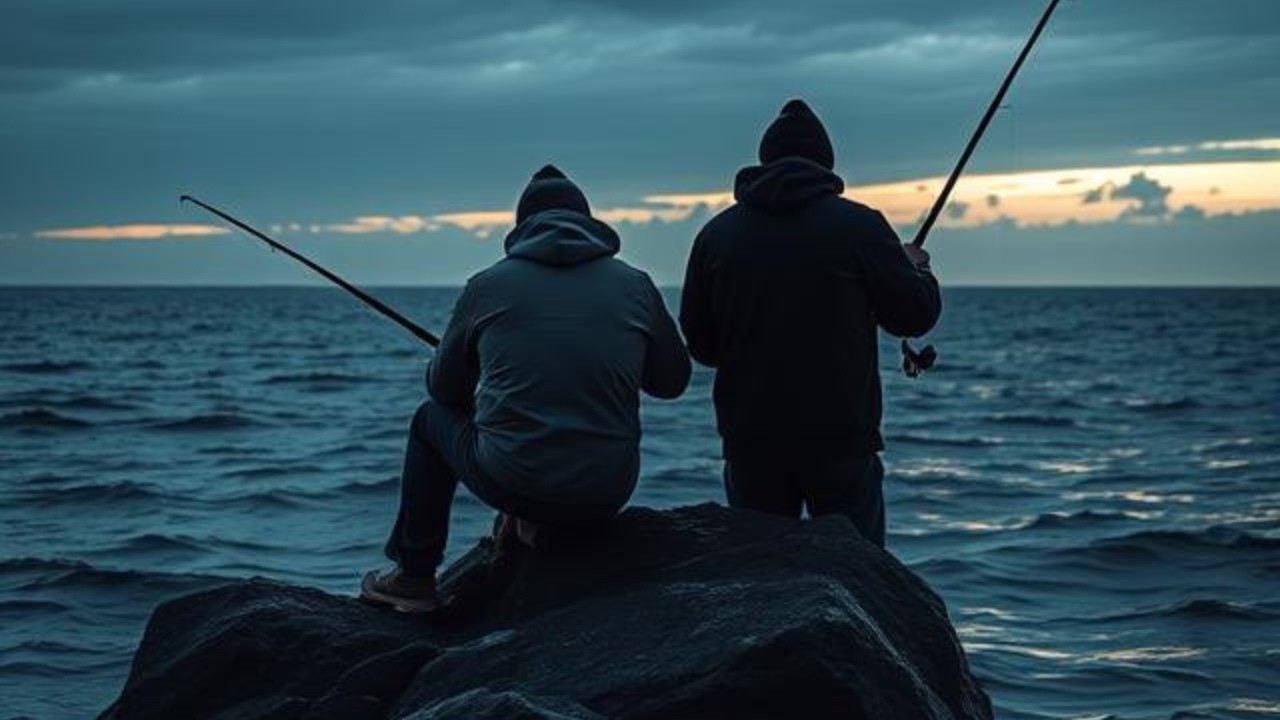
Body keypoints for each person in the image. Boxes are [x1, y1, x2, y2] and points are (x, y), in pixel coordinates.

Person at [362, 165, 691, 612]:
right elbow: (672, 383)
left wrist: (472, 365)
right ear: (589, 223)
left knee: (429, 421)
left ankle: (415, 576)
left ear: (521, 228)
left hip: (519, 483)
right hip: (609, 489)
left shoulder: (488, 286)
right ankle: (531, 530)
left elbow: (445, 393)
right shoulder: (635, 284)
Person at [679, 99, 940, 548]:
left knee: (756, 575)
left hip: (751, 441)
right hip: (841, 440)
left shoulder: (716, 235)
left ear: (764, 159)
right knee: (860, 577)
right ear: (826, 162)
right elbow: (913, 315)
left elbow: (701, 345)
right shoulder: (861, 226)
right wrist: (915, 268)